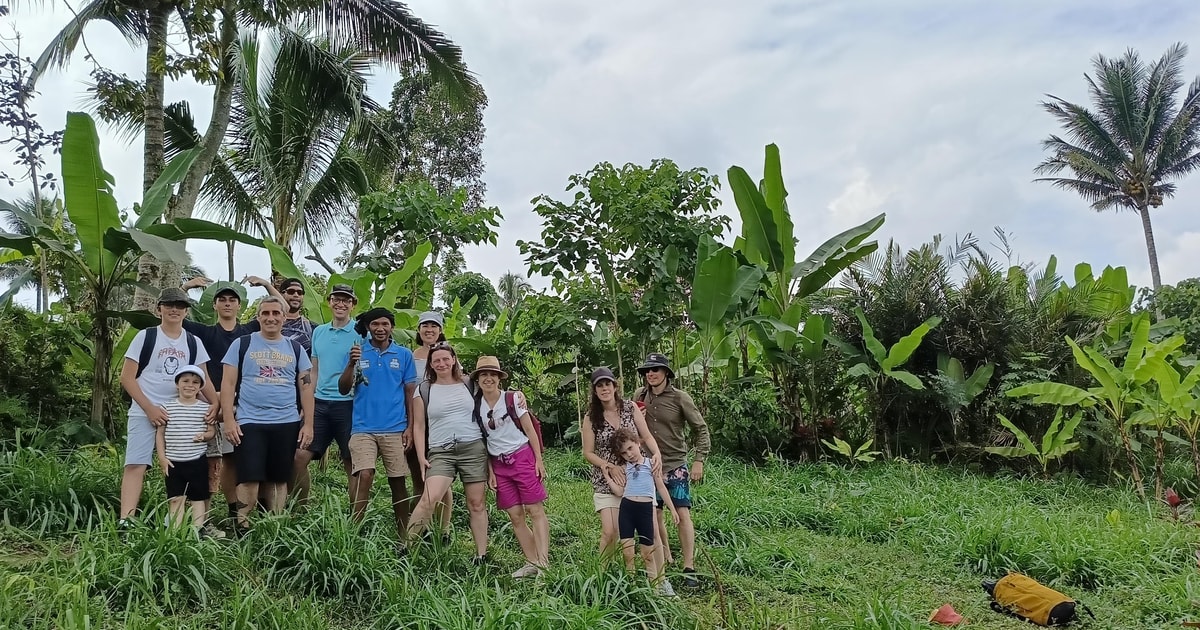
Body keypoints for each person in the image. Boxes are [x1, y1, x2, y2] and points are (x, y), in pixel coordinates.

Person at [179, 275, 279, 520]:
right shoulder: (203, 332)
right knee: (217, 458)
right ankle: (220, 511)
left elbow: (280, 309)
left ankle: (247, 508)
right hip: (213, 404)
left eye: (232, 300)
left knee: (242, 457)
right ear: (214, 305)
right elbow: (173, 312)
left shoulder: (248, 331)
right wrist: (186, 287)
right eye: (221, 300)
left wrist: (266, 285)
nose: (227, 303)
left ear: (239, 306)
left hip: (247, 404)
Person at [118, 288, 218, 524]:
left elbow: (203, 380)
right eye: (169, 304)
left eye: (180, 306)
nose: (175, 309)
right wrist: (150, 409)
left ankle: (195, 523)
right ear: (159, 308)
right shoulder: (146, 336)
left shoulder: (193, 342)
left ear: (186, 311)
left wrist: (215, 404)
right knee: (136, 463)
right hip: (145, 411)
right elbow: (127, 377)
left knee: (190, 465)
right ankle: (126, 520)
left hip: (182, 414)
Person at [221, 296, 315, 529]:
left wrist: (309, 424)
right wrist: (230, 421)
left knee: (278, 479)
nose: (271, 318)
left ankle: (275, 528)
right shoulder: (242, 344)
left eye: (276, 313)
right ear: (258, 317)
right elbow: (228, 384)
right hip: (249, 421)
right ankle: (242, 527)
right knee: (248, 479)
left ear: (284, 317)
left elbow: (306, 388)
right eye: (266, 313)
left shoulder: (295, 349)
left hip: (286, 422)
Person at [338, 308, 419, 539]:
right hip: (363, 427)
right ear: (368, 327)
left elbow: (409, 392)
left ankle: (403, 536)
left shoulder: (403, 355)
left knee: (398, 481)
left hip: (395, 428)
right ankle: (353, 534)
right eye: (375, 324)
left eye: (385, 324)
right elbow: (343, 389)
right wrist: (351, 364)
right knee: (365, 474)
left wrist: (410, 428)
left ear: (391, 326)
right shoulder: (357, 352)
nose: (380, 328)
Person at [406, 342, 489, 562]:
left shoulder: (470, 383)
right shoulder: (423, 389)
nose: (442, 363)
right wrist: (422, 456)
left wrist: (517, 395)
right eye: (436, 361)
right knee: (429, 498)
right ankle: (406, 549)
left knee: (476, 503)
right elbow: (419, 426)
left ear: (453, 360)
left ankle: (481, 554)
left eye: (446, 359)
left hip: (473, 447)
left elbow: (494, 393)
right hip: (440, 450)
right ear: (431, 365)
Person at [635, 353, 711, 588]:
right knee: (654, 515)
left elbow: (701, 428)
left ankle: (689, 566)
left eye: (656, 369)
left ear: (666, 373)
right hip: (649, 465)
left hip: (675, 464)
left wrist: (699, 460)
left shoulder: (680, 398)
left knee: (682, 514)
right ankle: (663, 558)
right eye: (647, 370)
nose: (651, 374)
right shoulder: (639, 396)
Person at [472, 356, 549, 578]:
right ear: (478, 379)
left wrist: (538, 460)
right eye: (484, 375)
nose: (488, 379)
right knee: (515, 515)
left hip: (522, 457)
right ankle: (531, 561)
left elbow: (529, 429)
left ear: (499, 378)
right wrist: (491, 471)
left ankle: (544, 563)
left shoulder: (512, 399)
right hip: (499, 463)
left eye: (492, 374)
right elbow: (484, 441)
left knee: (535, 510)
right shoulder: (476, 406)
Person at [580, 366, 662, 559]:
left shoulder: (630, 407)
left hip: (637, 476)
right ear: (594, 390)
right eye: (599, 385)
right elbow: (588, 453)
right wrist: (609, 466)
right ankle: (602, 575)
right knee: (610, 532)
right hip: (607, 479)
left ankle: (659, 580)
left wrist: (657, 453)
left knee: (651, 532)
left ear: (615, 386)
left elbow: (647, 436)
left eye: (607, 384)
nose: (604, 388)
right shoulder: (591, 418)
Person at [292, 284, 359, 507]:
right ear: (329, 302)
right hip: (320, 403)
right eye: (337, 299)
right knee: (299, 458)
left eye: (346, 300)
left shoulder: (360, 332)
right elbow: (314, 370)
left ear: (353, 305)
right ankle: (301, 508)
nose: (341, 304)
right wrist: (307, 402)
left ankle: (355, 518)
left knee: (351, 463)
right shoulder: (319, 332)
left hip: (349, 404)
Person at [604, 427, 680, 596]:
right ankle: (630, 589)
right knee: (628, 551)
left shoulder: (651, 464)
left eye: (630, 448)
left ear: (638, 443)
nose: (629, 454)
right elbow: (619, 491)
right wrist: (608, 477)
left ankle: (655, 589)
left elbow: (660, 486)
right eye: (624, 453)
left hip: (646, 509)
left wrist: (672, 509)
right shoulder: (625, 468)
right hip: (627, 508)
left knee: (648, 553)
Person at [155, 365, 224, 538]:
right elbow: (160, 434)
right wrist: (162, 458)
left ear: (200, 386)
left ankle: (197, 531)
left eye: (195, 382)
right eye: (185, 381)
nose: (190, 385)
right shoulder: (167, 407)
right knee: (176, 498)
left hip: (197, 460)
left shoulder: (205, 408)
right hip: (173, 462)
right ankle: (175, 532)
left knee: (198, 497)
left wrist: (205, 436)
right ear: (177, 384)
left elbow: (211, 431)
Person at [411, 310, 453, 538]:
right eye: (425, 326)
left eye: (434, 326)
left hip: (443, 423)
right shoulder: (412, 356)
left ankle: (444, 529)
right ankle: (423, 525)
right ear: (419, 330)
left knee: (443, 478)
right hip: (419, 422)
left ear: (440, 329)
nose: (429, 330)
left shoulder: (447, 354)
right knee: (421, 475)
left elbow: (460, 383)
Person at [279, 277, 315, 354]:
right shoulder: (267, 322)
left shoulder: (312, 328)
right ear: (281, 294)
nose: (296, 295)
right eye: (291, 291)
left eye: (300, 292)